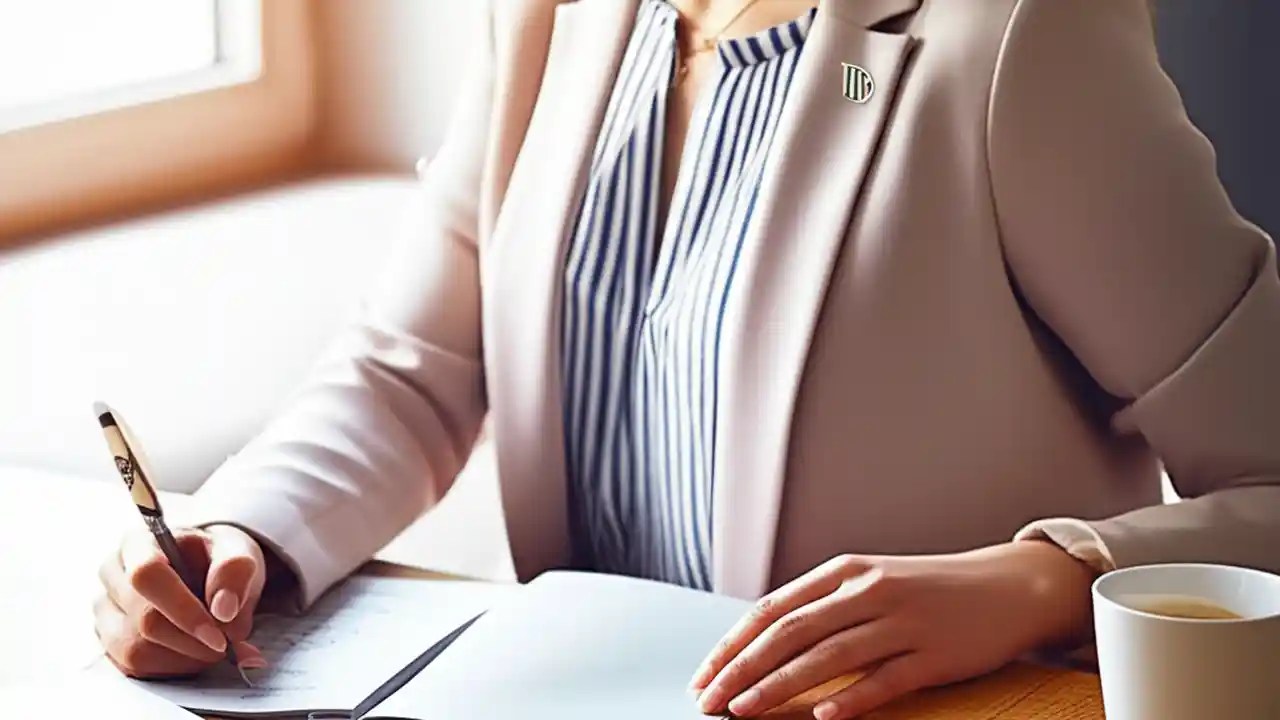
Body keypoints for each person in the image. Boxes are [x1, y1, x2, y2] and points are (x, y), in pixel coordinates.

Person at [94, 0, 1280, 717]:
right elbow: (408, 374)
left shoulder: (1012, 41)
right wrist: (235, 537)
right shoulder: (558, 22)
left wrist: (1036, 582)